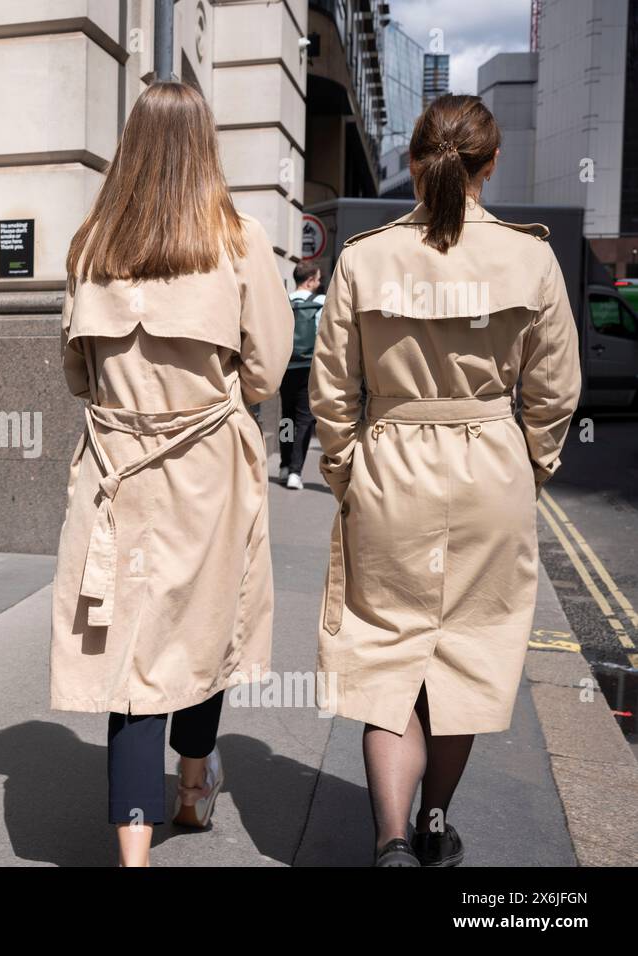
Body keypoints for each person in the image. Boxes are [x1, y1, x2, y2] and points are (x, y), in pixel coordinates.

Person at [309, 94, 581, 867]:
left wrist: (346, 470)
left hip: (392, 465)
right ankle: (433, 823)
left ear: (412, 163)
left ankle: (389, 837)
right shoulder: (531, 257)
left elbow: (331, 389)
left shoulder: (364, 257)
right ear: (490, 165)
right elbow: (556, 391)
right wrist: (528, 467)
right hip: (491, 467)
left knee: (390, 654)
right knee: (467, 654)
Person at [50, 81, 292, 867]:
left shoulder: (92, 244)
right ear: (205, 147)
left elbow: (76, 375)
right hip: (206, 474)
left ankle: (134, 855)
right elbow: (265, 371)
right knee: (203, 626)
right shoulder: (240, 239)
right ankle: (192, 786)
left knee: (128, 662)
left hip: (118, 469)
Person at [278, 261, 324, 489]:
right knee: (304, 419)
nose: (319, 282)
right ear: (310, 281)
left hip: (285, 367)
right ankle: (295, 471)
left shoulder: (282, 301)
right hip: (308, 368)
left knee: (286, 417)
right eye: (317, 279)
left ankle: (284, 464)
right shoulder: (320, 303)